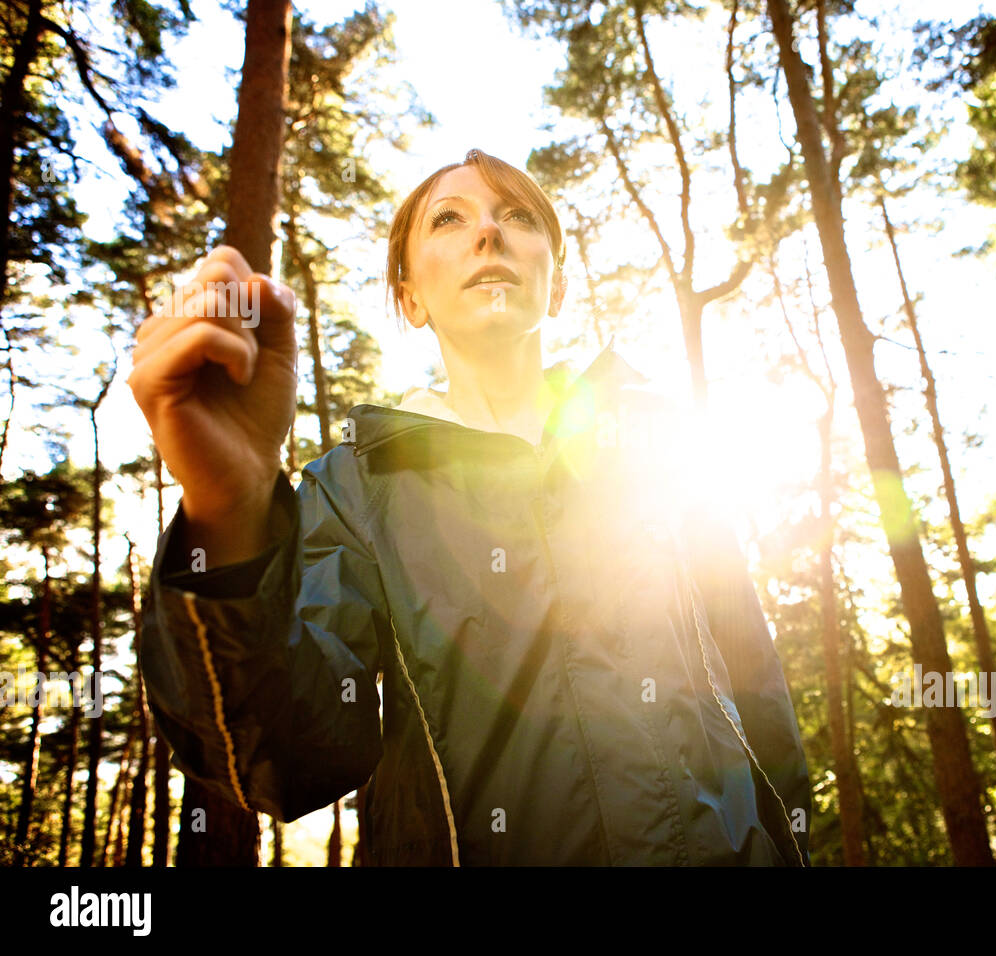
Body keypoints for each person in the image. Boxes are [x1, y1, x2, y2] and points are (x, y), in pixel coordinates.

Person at [127, 147, 811, 866]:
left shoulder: (657, 440)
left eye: (517, 215)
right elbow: (293, 755)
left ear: (556, 289)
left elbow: (755, 693)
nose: (489, 232)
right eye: (449, 219)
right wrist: (228, 511)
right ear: (411, 297)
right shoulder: (354, 488)